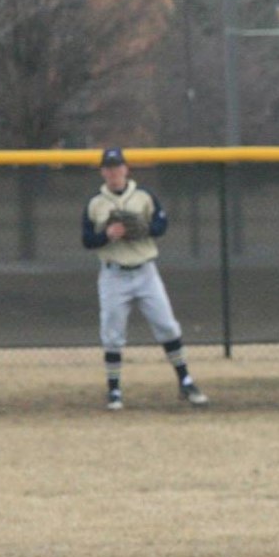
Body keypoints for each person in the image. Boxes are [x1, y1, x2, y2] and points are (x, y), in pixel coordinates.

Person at [81, 148, 208, 411]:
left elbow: (162, 225)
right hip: (113, 275)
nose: (114, 172)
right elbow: (87, 240)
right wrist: (107, 234)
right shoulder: (96, 203)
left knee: (167, 326)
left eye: (118, 167)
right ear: (102, 172)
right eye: (108, 168)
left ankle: (185, 380)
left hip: (146, 273)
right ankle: (114, 391)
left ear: (126, 169)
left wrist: (144, 229)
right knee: (113, 335)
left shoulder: (143, 196)